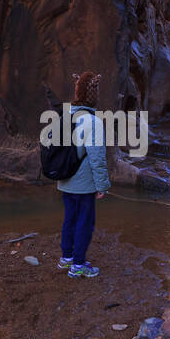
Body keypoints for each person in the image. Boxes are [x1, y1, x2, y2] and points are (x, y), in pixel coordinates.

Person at [57, 71, 110, 278]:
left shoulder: (65, 116)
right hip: (84, 183)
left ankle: (66, 257)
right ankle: (78, 264)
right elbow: (97, 157)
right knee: (84, 221)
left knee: (69, 218)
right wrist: (102, 185)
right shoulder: (93, 122)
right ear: (94, 94)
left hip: (65, 179)